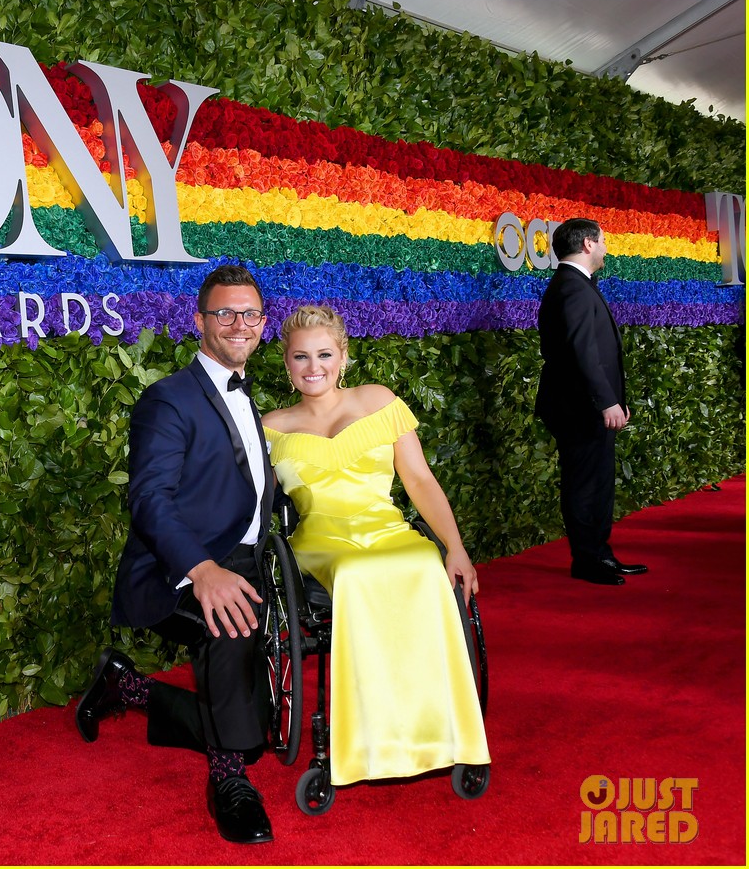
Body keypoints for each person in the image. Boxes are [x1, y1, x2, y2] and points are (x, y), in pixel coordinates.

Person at [74, 264, 276, 844]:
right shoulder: (167, 400)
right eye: (225, 314)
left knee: (257, 720)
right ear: (200, 322)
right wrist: (203, 570)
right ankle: (230, 781)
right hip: (173, 567)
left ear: (262, 323)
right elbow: (149, 500)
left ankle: (128, 688)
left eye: (250, 314)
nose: (239, 324)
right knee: (234, 626)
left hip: (244, 556)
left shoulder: (247, 393)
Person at [261, 304, 489, 788]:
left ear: (343, 356)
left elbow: (420, 480)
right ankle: (367, 744)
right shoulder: (271, 427)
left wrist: (454, 546)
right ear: (286, 364)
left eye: (324, 354)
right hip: (321, 541)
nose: (313, 366)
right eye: (300, 357)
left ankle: (440, 735)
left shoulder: (380, 401)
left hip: (386, 528)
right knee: (355, 574)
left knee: (424, 565)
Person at [535, 217, 648, 586]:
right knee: (586, 483)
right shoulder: (572, 288)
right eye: (601, 240)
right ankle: (587, 560)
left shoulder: (576, 285)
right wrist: (605, 402)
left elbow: (595, 352)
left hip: (587, 406)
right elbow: (583, 353)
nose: (605, 246)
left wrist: (615, 400)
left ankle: (600, 554)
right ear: (586, 244)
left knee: (598, 482)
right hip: (579, 408)